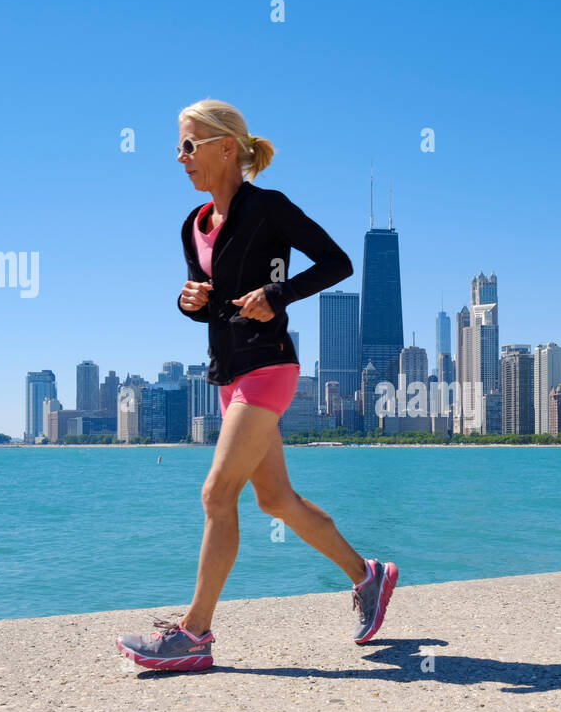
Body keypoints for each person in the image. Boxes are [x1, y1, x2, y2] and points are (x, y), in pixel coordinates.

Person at [117, 99, 397, 672]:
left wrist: (278, 295)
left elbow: (337, 262)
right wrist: (187, 300)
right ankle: (368, 576)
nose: (179, 158)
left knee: (217, 494)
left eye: (188, 145)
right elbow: (210, 302)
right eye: (177, 147)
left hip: (269, 365)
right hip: (228, 372)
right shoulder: (192, 225)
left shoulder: (268, 208)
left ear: (226, 148)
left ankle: (194, 636)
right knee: (274, 498)